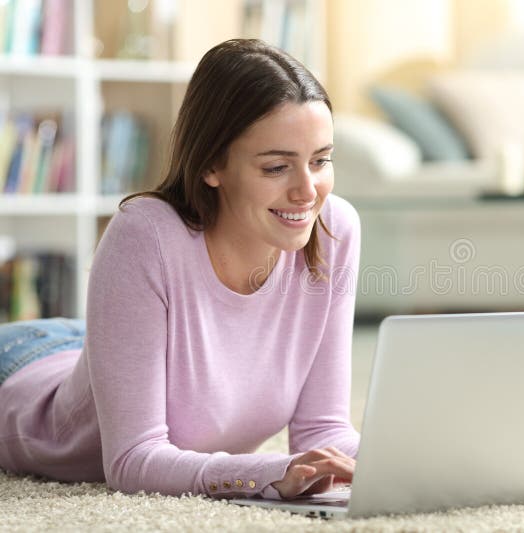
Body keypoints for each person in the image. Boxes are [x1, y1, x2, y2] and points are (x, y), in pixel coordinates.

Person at [0, 39, 360, 501]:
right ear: (212, 164)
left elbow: (324, 432)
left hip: (86, 343)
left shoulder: (334, 229)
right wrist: (269, 473)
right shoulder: (146, 234)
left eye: (321, 160)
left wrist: (417, 465)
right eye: (276, 167)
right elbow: (132, 461)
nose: (307, 191)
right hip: (21, 368)